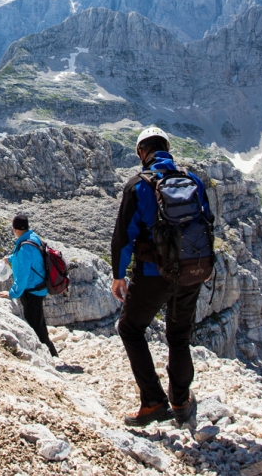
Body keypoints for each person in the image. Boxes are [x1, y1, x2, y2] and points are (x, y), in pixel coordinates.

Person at [110, 126, 214, 426]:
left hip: (153, 275)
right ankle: (181, 402)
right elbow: (208, 221)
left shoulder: (138, 185)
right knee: (179, 337)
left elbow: (122, 237)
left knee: (130, 328)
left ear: (142, 152)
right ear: (167, 148)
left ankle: (153, 401)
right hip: (192, 271)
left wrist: (119, 276)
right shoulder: (192, 180)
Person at [8, 214, 60, 358]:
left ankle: (50, 356)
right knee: (39, 321)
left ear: (16, 229)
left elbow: (23, 275)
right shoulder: (32, 237)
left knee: (35, 324)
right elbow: (31, 258)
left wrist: (12, 293)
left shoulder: (24, 247)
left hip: (32, 291)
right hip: (39, 286)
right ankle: (51, 352)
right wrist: (10, 259)